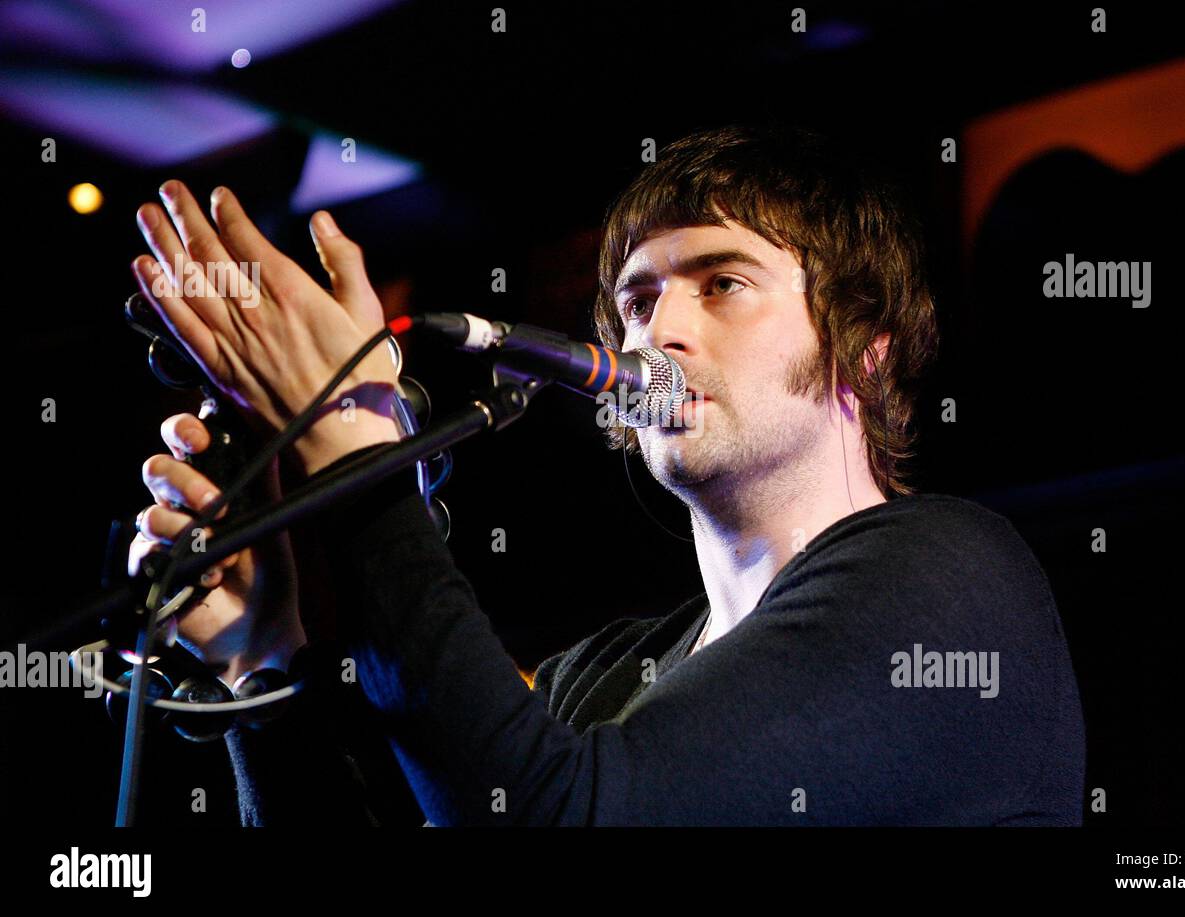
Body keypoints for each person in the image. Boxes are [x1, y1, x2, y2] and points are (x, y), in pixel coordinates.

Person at [128, 124, 1086, 825]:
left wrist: (356, 451)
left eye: (723, 284)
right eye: (637, 299)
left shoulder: (952, 578)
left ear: (865, 350)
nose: (657, 331)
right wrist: (272, 659)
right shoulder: (598, 680)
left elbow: (565, 820)